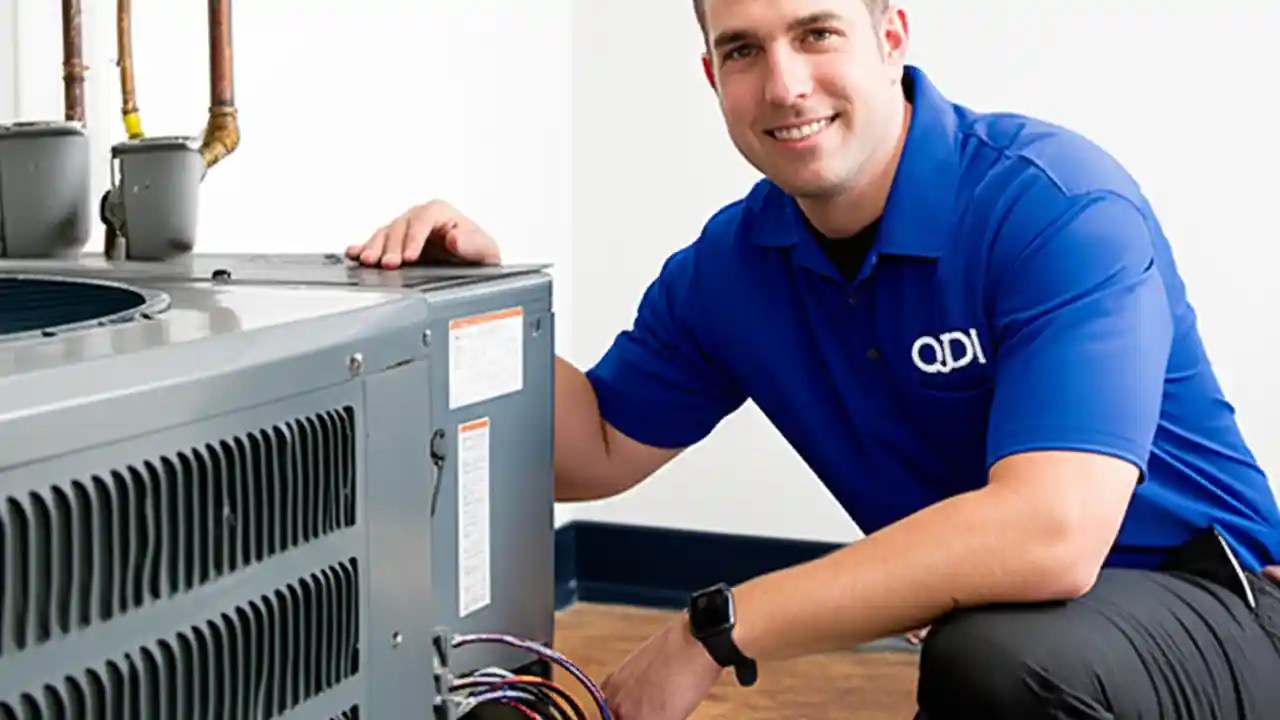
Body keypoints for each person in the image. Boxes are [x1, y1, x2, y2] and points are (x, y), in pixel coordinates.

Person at [350, 0, 1280, 717]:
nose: (785, 85)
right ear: (710, 75)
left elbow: (1051, 536)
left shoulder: (1054, 205)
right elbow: (585, 451)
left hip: (1222, 602)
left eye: (817, 33)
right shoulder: (734, 267)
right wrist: (478, 302)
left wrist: (708, 633)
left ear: (891, 36)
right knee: (991, 651)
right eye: (745, 50)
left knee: (999, 660)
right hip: (1031, 633)